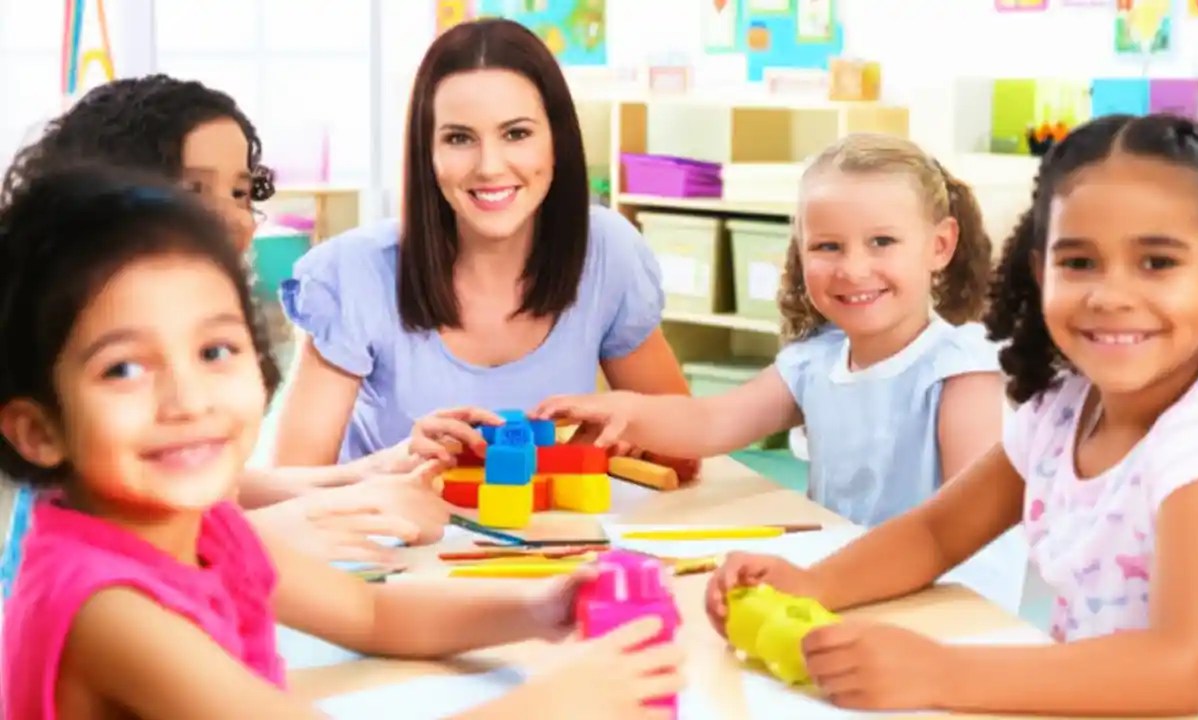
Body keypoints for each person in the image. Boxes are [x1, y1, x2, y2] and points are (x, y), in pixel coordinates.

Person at [0, 165, 684, 719]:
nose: (189, 400)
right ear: (38, 430)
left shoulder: (203, 529)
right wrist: (551, 706)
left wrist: (535, 609)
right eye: (123, 369)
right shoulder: (106, 608)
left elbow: (371, 613)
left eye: (214, 351)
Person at [702, 115, 1198, 717]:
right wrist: (814, 583)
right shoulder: (1063, 411)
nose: (1110, 295)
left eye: (1157, 263)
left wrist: (938, 672)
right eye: (1079, 262)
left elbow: (1182, 670)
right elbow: (936, 533)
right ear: (1040, 271)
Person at [0, 75, 454, 587]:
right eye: (193, 190)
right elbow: (136, 544)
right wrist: (301, 522)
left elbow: (208, 487)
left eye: (240, 192)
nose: (231, 218)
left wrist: (357, 475)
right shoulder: (85, 341)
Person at [272, 19, 693, 472]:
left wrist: (632, 437)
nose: (490, 166)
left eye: (516, 134)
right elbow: (293, 487)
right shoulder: (356, 273)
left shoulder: (607, 252)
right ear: (427, 154)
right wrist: (390, 467)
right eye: (458, 138)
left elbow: (686, 448)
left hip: (554, 520)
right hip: (384, 518)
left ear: (557, 141)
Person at [536, 132, 1003, 528]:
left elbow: (964, 532)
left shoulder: (963, 373)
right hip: (852, 582)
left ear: (940, 245)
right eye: (828, 246)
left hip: (946, 599)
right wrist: (621, 409)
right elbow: (710, 422)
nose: (853, 269)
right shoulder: (815, 362)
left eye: (882, 241)